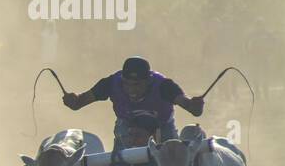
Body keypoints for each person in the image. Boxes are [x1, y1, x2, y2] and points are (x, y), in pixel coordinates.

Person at [60, 56, 203, 149]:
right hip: (127, 124)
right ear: (122, 79)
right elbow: (79, 103)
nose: (132, 91)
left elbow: (191, 107)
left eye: (137, 85)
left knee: (172, 160)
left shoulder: (164, 86)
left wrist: (195, 106)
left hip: (161, 126)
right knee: (119, 165)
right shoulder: (110, 83)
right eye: (127, 84)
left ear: (149, 81)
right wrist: (72, 100)